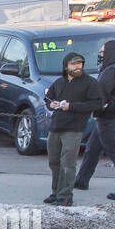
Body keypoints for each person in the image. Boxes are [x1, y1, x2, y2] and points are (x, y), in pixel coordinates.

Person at [74, 40, 115, 201]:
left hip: (109, 116)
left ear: (111, 52)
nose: (100, 55)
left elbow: (100, 95)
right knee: (93, 148)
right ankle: (82, 180)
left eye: (103, 52)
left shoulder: (111, 71)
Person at [42, 52, 102, 206]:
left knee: (68, 162)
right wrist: (52, 104)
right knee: (54, 161)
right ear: (66, 66)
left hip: (74, 128)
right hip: (56, 126)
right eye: (74, 64)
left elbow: (97, 103)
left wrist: (72, 106)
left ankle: (65, 196)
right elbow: (48, 98)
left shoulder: (89, 82)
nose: (78, 67)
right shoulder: (59, 82)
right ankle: (55, 192)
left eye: (80, 63)